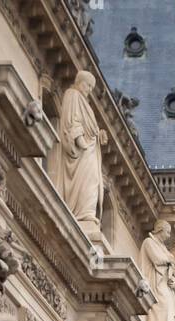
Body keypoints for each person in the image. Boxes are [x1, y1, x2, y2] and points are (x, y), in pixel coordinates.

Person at [52, 71, 108, 240]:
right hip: (82, 151)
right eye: (87, 85)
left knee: (92, 180)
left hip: (89, 150)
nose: (89, 90)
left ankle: (86, 213)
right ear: (79, 81)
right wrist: (81, 142)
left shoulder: (84, 101)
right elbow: (71, 121)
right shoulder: (72, 94)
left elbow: (89, 128)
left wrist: (99, 135)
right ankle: (83, 214)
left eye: (91, 87)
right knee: (88, 180)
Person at [140, 221, 175, 321]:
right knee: (162, 304)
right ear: (160, 230)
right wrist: (169, 259)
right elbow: (157, 259)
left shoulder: (162, 247)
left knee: (169, 306)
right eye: (167, 232)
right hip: (154, 283)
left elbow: (172, 269)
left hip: (164, 283)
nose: (168, 236)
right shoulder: (149, 242)